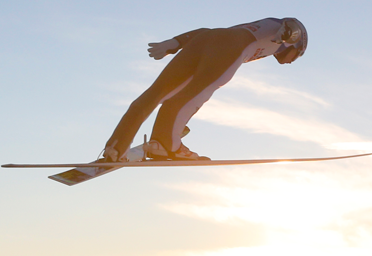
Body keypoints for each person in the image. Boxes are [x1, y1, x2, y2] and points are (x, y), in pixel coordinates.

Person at [102, 17, 308, 162]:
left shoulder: (260, 30)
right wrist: (288, 34)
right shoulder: (285, 34)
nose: (291, 62)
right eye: (297, 56)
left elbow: (210, 33)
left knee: (156, 93)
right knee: (191, 96)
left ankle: (116, 147)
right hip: (229, 47)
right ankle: (165, 144)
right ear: (298, 47)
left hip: (206, 40)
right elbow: (292, 26)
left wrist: (176, 42)